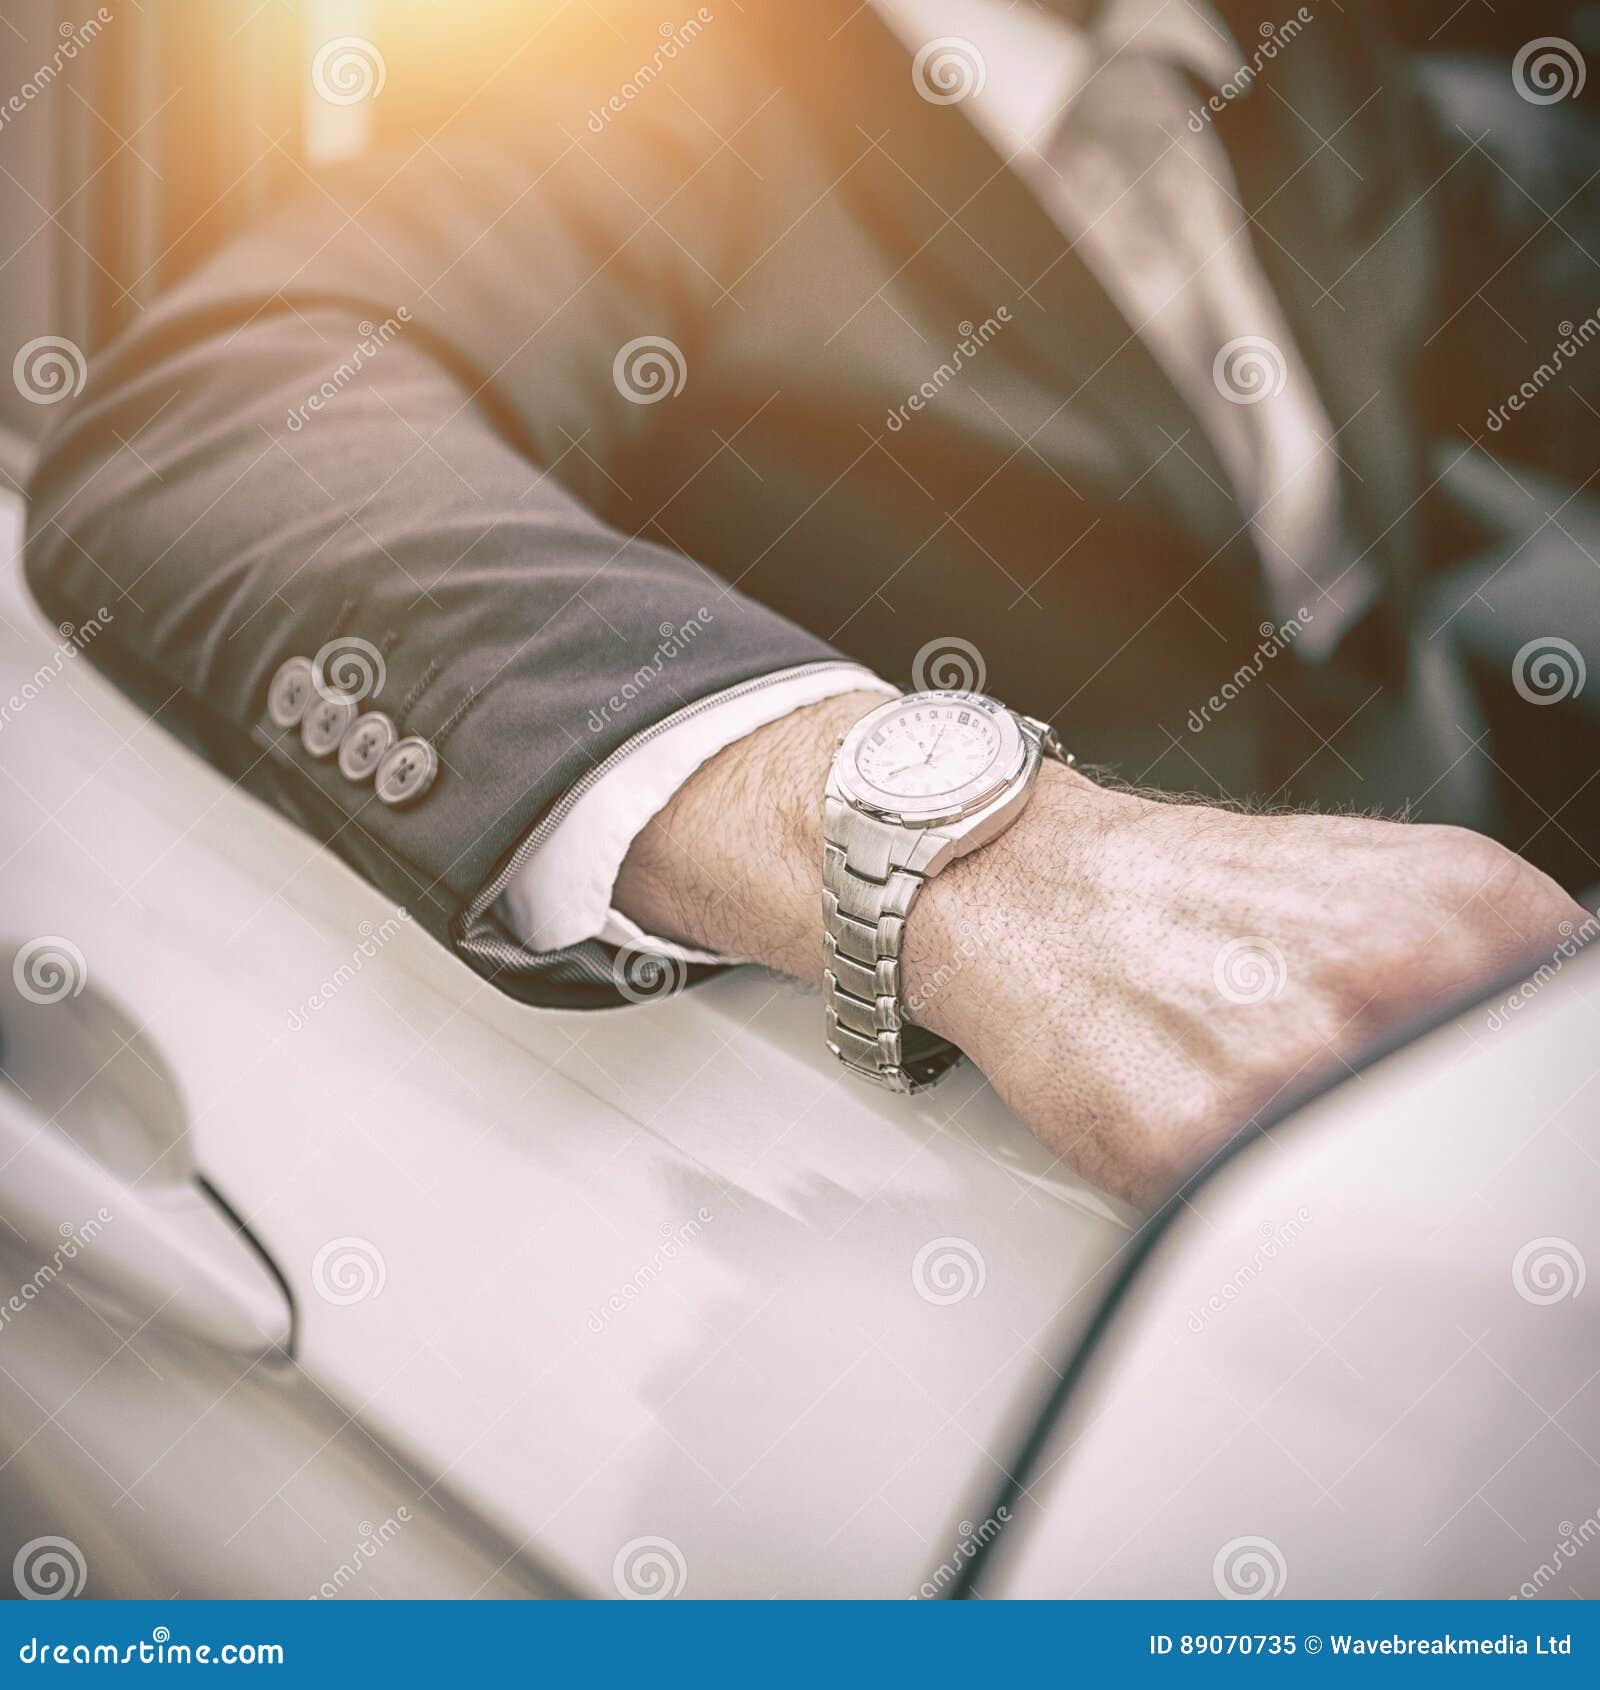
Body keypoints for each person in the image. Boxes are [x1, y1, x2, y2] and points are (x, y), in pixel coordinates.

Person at [24, 0, 1598, 1207]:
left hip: (1487, 1008)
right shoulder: (633, 86)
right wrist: (986, 860)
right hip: (1058, 1176)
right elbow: (223, 426)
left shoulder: (1302, 66)